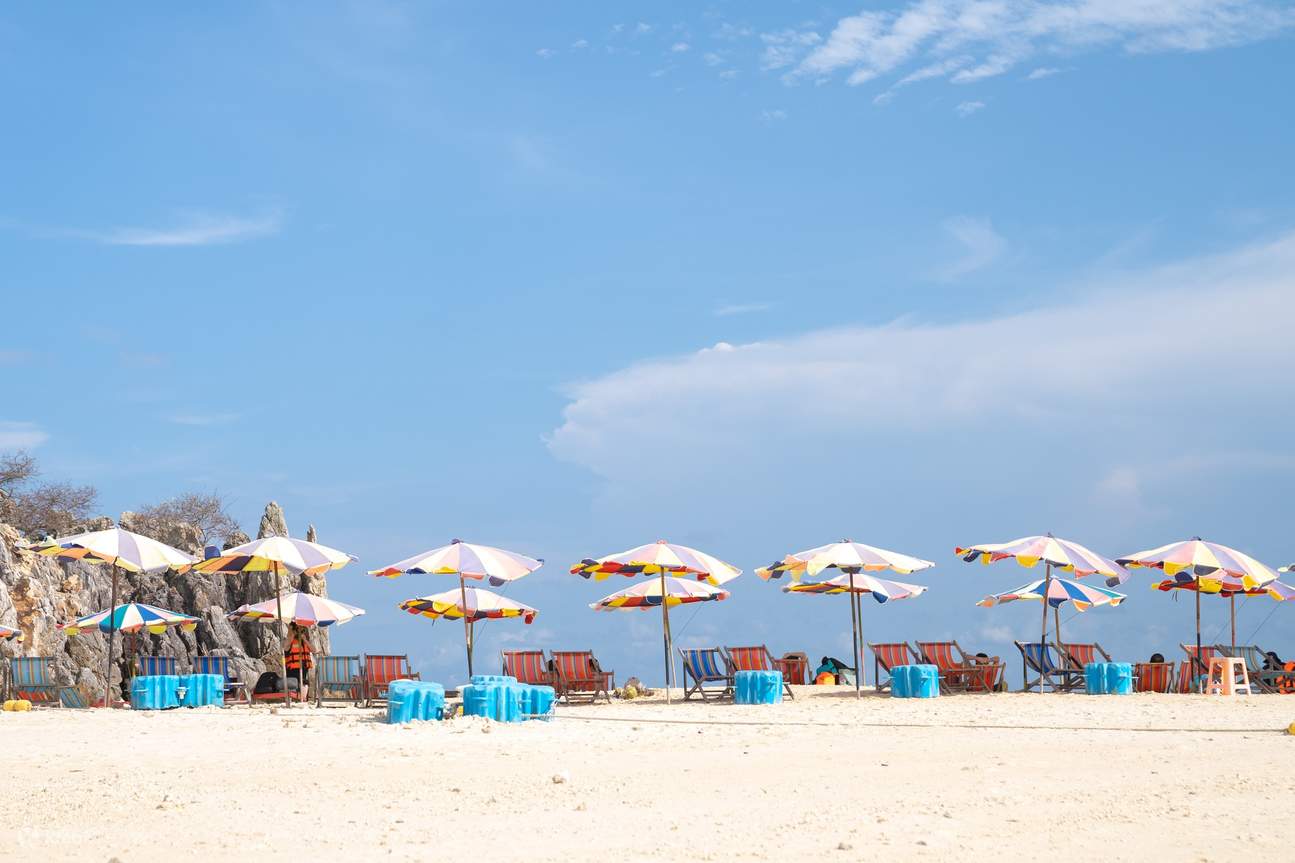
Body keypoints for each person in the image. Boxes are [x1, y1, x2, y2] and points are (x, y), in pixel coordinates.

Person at [284, 623, 313, 701]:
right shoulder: (289, 641)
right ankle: (298, 697)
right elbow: (285, 647)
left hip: (303, 669)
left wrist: (304, 639)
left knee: (304, 682)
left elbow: (314, 650)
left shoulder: (304, 642)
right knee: (296, 684)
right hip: (292, 671)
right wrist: (292, 634)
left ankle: (303, 698)